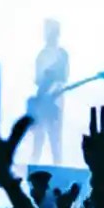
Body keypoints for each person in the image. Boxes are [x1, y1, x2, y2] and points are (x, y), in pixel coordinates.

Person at [29, 19, 69, 165]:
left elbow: (63, 77)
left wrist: (53, 87)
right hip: (42, 101)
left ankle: (58, 170)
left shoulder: (62, 54)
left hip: (55, 101)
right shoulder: (42, 54)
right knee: (38, 141)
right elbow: (38, 78)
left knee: (55, 141)